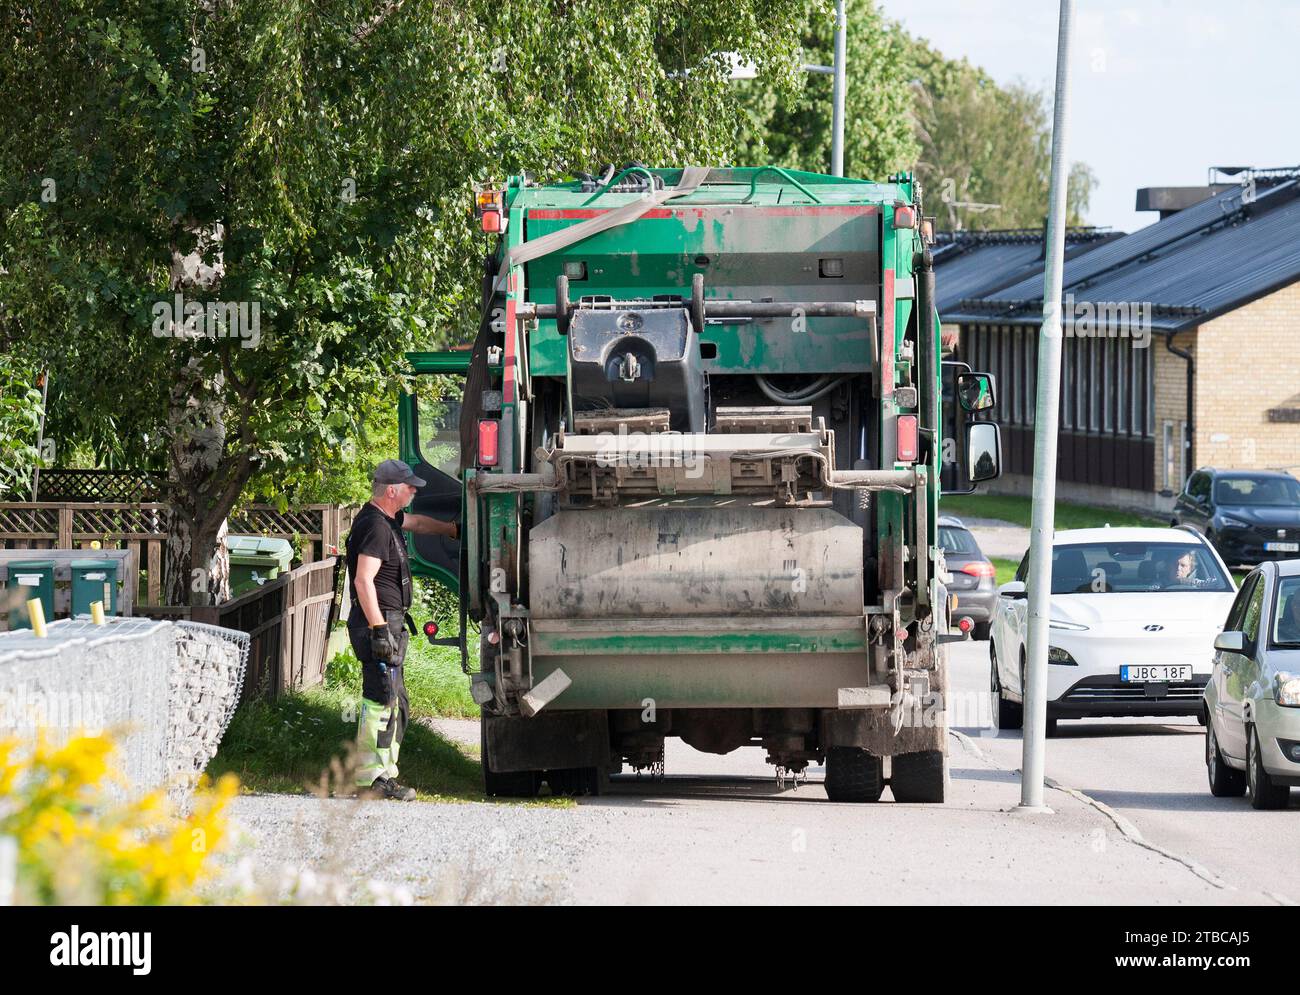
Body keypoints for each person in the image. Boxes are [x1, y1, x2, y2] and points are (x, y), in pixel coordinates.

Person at [347, 459, 458, 800]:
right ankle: (372, 780)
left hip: (388, 623)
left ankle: (384, 774)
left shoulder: (387, 518)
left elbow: (419, 524)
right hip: (378, 624)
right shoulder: (375, 528)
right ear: (391, 490)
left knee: (395, 700)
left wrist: (451, 530)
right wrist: (379, 630)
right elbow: (363, 581)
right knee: (381, 699)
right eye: (409, 486)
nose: (414, 490)